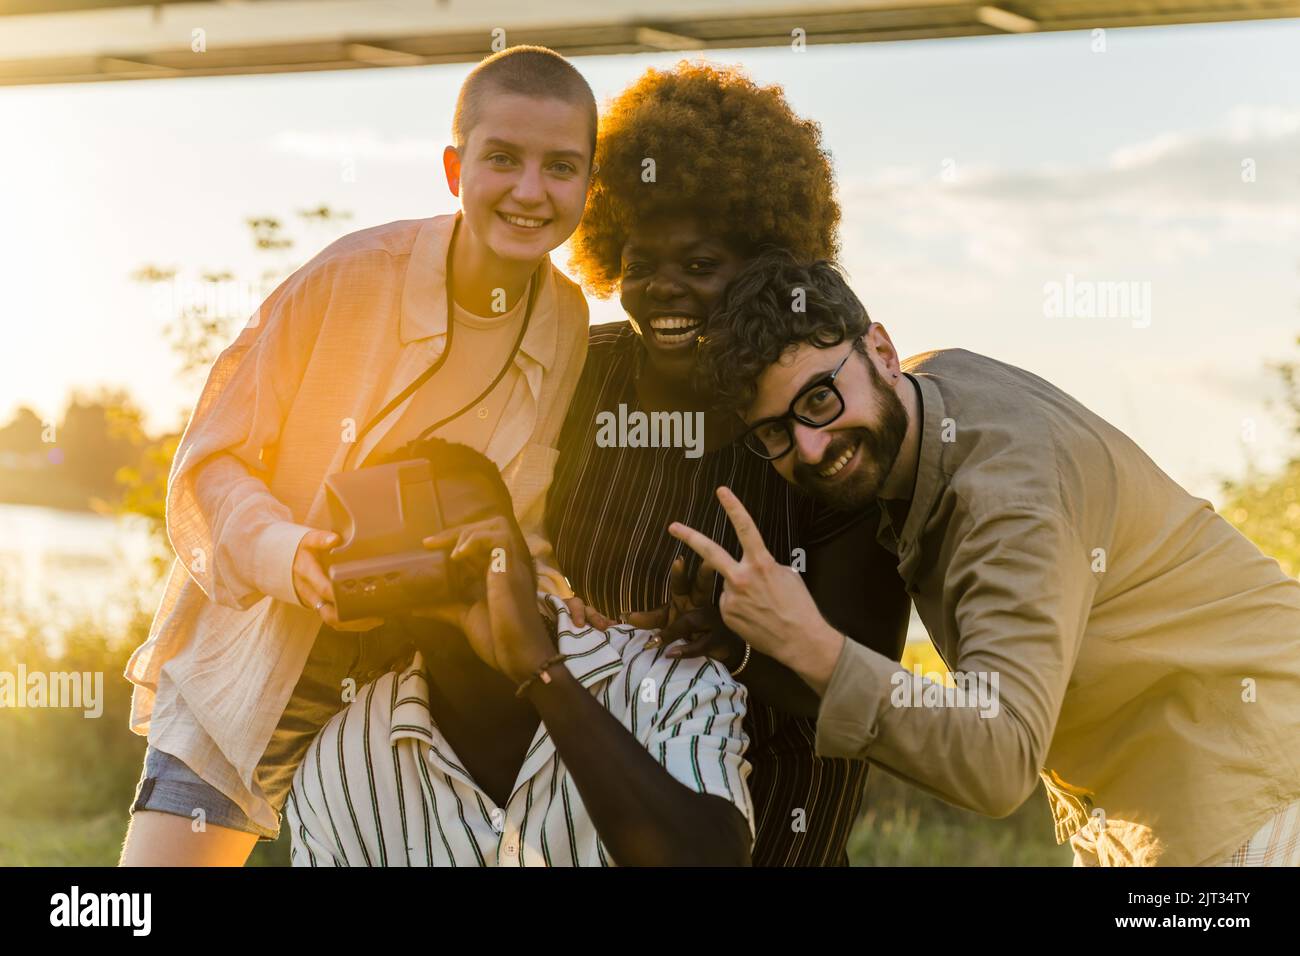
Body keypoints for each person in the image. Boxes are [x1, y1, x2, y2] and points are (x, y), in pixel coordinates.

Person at [120, 46, 598, 866]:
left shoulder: (566, 318)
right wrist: (292, 555)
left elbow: (517, 514)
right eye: (502, 160)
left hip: (415, 692)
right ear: (455, 169)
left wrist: (548, 590)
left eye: (560, 167)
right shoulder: (349, 277)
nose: (530, 191)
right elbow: (208, 463)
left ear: (589, 186)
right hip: (261, 657)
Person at [671, 249, 1300, 867]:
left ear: (883, 353)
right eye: (776, 432)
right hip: (1150, 804)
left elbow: (999, 762)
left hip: (1254, 790)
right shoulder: (932, 386)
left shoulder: (1007, 503)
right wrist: (751, 643)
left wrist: (806, 643)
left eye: (819, 400)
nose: (809, 448)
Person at [545, 61, 910, 866]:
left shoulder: (824, 428)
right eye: (640, 265)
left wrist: (735, 643)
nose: (664, 291)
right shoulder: (578, 375)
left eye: (702, 266)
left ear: (764, 265)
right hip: (589, 814)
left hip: (778, 820)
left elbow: (868, 688)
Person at [285, 439, 754, 866]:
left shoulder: (668, 679)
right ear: (382, 584)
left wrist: (540, 669)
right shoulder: (342, 766)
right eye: (432, 543)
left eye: (483, 538)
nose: (466, 560)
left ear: (522, 548)